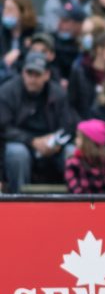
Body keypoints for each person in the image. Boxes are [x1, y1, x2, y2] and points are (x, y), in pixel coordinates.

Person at [0, 51, 75, 193]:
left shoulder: (59, 94)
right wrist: (32, 141)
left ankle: (74, 203)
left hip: (52, 147)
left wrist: (56, 142)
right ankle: (17, 200)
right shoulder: (7, 92)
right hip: (22, 144)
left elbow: (69, 125)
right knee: (17, 153)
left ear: (47, 75)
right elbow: (4, 128)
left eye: (37, 74)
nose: (32, 79)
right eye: (29, 73)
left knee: (71, 152)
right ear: (23, 73)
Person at [64, 119, 105, 194]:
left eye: (79, 137)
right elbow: (75, 191)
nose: (75, 140)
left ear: (89, 141)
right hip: (81, 204)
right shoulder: (72, 163)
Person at [1, 0, 38, 83]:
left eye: (10, 9)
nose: (5, 13)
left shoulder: (35, 34)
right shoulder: (2, 33)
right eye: (5, 9)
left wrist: (20, 51)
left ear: (23, 12)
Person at [53, 4, 86, 81]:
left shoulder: (86, 45)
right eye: (60, 19)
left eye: (65, 21)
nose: (60, 24)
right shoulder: (54, 40)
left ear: (79, 24)